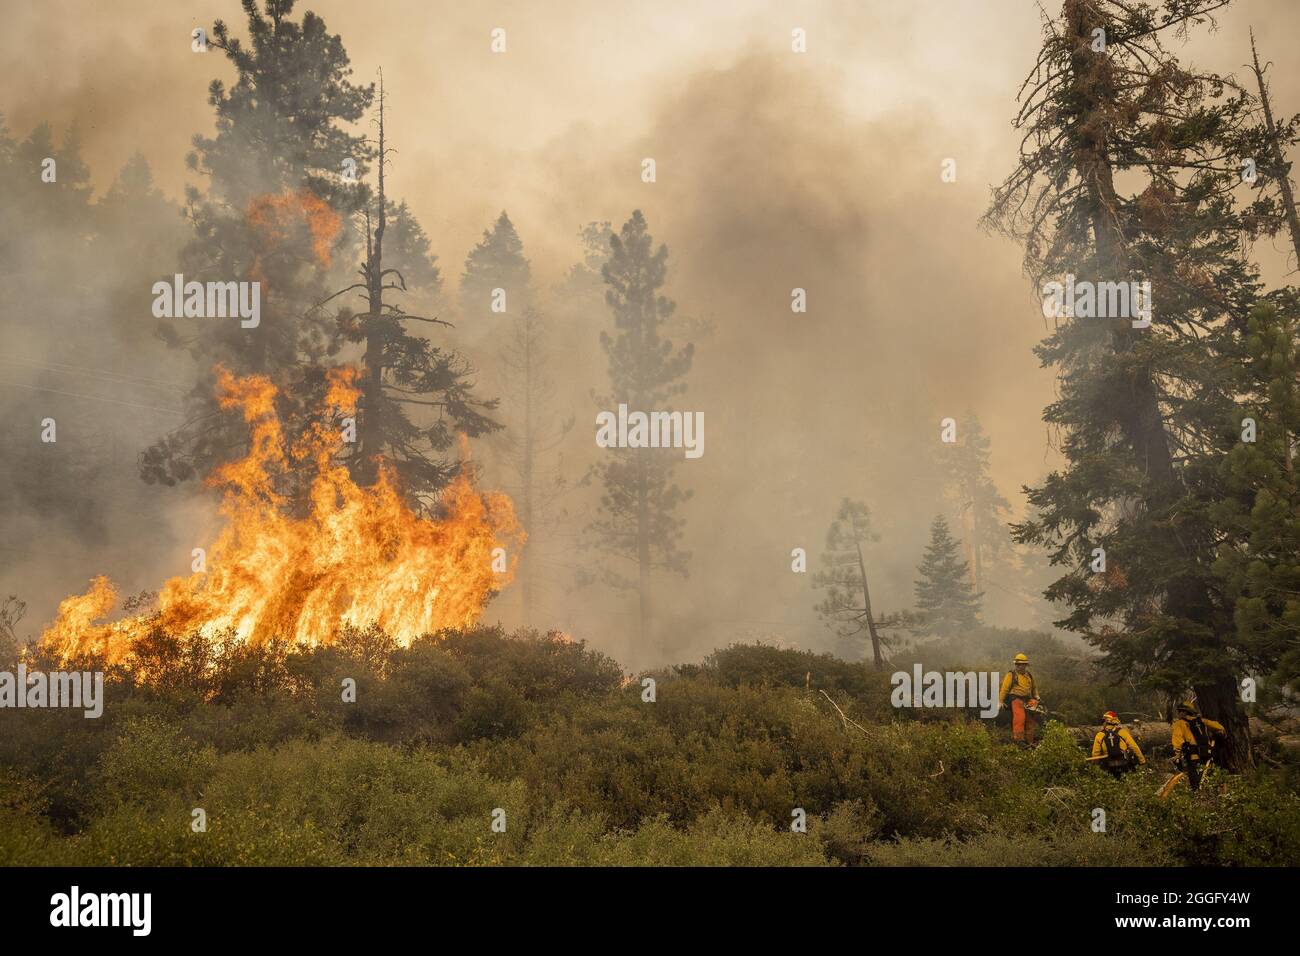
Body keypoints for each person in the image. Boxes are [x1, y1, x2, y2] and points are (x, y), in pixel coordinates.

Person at [1170, 700, 1225, 792]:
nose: (1178, 713)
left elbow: (1177, 741)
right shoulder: (1203, 721)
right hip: (1207, 755)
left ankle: (1197, 795)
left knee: (1195, 782)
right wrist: (1221, 734)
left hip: (1192, 757)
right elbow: (1220, 728)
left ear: (1184, 712)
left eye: (1180, 711)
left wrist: (1177, 756)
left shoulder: (1179, 724)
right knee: (1207, 777)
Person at [999, 653, 1041, 745]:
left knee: (1030, 720)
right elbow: (1004, 688)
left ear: (1025, 665)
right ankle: (1019, 739)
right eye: (1017, 664)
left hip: (1028, 699)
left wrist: (1037, 696)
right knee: (1020, 717)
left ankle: (1029, 741)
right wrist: (1001, 701)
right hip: (1016, 698)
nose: (1019, 666)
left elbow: (1034, 688)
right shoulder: (1011, 675)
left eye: (1021, 664)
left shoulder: (1029, 675)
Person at [1091, 711, 1145, 777]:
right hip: (1124, 764)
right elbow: (1134, 747)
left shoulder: (1099, 735)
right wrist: (1142, 761)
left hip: (1108, 766)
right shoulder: (1122, 732)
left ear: (1106, 722)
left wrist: (1095, 766)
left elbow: (1095, 754)